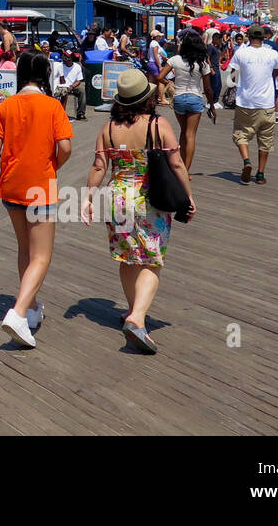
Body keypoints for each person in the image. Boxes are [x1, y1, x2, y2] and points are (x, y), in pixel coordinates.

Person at [80, 68, 195, 353]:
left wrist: (87, 198)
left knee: (128, 257)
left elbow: (99, 166)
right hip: (149, 199)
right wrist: (188, 197)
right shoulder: (158, 125)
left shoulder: (108, 129)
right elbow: (177, 164)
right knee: (152, 259)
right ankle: (137, 316)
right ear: (147, 97)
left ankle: (134, 311)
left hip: (118, 197)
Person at [0, 51, 73, 349]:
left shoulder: (6, 105)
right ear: (45, 74)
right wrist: (52, 166)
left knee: (25, 249)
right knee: (42, 256)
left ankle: (31, 308)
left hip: (11, 185)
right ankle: (19, 312)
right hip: (40, 186)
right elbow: (66, 147)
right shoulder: (52, 105)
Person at [229, 25, 278, 183]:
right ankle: (260, 174)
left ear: (249, 37)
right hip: (266, 103)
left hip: (245, 102)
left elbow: (233, 76)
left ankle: (246, 161)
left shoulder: (241, 52)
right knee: (265, 140)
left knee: (241, 134)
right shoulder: (272, 53)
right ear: (264, 37)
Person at [158, 30, 214, 171]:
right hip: (195, 98)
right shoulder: (202, 63)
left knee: (183, 132)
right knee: (190, 135)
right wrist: (211, 105)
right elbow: (207, 89)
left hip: (179, 98)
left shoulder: (175, 60)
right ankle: (185, 170)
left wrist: (169, 83)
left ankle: (181, 163)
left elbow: (159, 77)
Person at [53, 48, 86, 120]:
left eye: (67, 57)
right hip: (60, 86)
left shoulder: (77, 67)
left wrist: (72, 86)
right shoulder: (59, 65)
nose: (65, 59)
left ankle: (80, 113)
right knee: (64, 91)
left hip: (72, 86)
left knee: (82, 90)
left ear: (71, 58)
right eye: (64, 56)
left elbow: (79, 80)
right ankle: (61, 114)